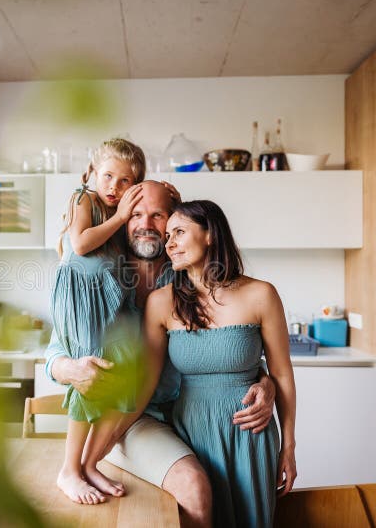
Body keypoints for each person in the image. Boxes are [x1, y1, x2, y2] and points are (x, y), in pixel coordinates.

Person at [47, 181, 276, 527]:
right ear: (122, 220)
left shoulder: (186, 268)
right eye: (136, 214)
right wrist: (70, 368)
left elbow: (224, 342)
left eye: (158, 215)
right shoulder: (98, 273)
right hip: (130, 418)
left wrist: (264, 380)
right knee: (194, 486)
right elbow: (56, 352)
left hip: (191, 414)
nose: (146, 224)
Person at [142, 200, 297, 527]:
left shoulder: (261, 294)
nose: (168, 243)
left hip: (249, 435)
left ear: (210, 234)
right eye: (167, 235)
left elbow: (282, 373)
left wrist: (289, 446)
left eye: (179, 232)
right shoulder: (160, 303)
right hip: (188, 436)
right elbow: (143, 382)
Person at [50, 138, 146, 505]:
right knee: (89, 372)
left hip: (106, 302)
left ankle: (89, 465)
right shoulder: (84, 199)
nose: (114, 187)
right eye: (107, 176)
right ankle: (69, 470)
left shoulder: (119, 215)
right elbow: (80, 243)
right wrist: (121, 215)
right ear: (92, 174)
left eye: (125, 182)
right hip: (79, 296)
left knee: (119, 374)